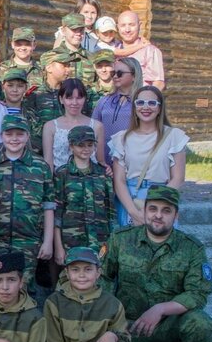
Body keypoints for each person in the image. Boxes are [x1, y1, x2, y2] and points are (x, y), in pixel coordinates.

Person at [102, 185, 212, 342]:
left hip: (168, 327)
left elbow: (198, 294)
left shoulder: (191, 249)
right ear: (144, 212)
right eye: (152, 209)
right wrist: (111, 320)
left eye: (166, 211)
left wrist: (161, 309)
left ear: (176, 215)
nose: (158, 215)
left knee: (201, 324)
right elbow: (103, 278)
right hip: (129, 327)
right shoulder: (121, 240)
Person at [0, 115, 55, 302]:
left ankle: (25, 330)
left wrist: (48, 241)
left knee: (25, 291)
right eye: (9, 134)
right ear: (1, 136)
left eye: (20, 134)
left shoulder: (40, 167)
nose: (14, 138)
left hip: (29, 241)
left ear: (27, 136)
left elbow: (49, 206)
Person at [110, 85, 188, 226]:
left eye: (152, 103)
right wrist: (133, 211)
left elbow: (178, 178)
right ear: (134, 107)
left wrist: (154, 206)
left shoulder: (173, 136)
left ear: (159, 108)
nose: (146, 107)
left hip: (162, 200)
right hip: (132, 200)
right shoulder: (121, 139)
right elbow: (119, 180)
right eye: (140, 103)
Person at [52, 126, 117, 265]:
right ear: (71, 146)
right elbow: (57, 214)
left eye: (90, 145)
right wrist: (58, 247)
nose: (86, 149)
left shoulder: (103, 174)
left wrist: (112, 242)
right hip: (72, 241)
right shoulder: (62, 174)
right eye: (80, 145)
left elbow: (111, 212)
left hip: (100, 240)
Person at [41, 79, 106, 173]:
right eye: (69, 98)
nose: (74, 103)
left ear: (85, 99)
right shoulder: (50, 127)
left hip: (90, 182)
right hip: (61, 182)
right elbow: (48, 162)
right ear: (61, 99)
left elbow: (100, 161)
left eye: (79, 98)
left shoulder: (97, 126)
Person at [92, 56, 142, 165]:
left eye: (120, 73)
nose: (115, 76)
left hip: (133, 160)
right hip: (105, 160)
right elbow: (93, 128)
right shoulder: (104, 101)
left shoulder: (142, 102)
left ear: (134, 76)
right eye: (113, 73)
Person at [24, 48, 73, 154]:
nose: (68, 69)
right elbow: (31, 128)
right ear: (49, 67)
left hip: (69, 151)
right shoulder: (35, 95)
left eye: (69, 65)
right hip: (41, 152)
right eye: (64, 65)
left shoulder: (72, 94)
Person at [114, 11, 165, 89]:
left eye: (131, 25)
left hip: (140, 98)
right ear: (118, 27)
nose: (127, 30)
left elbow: (158, 83)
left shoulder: (150, 51)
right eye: (123, 25)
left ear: (139, 25)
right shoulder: (114, 50)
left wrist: (146, 98)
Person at [55, 13, 96, 86]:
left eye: (81, 30)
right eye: (74, 29)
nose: (78, 33)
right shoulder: (54, 57)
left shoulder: (92, 58)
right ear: (63, 31)